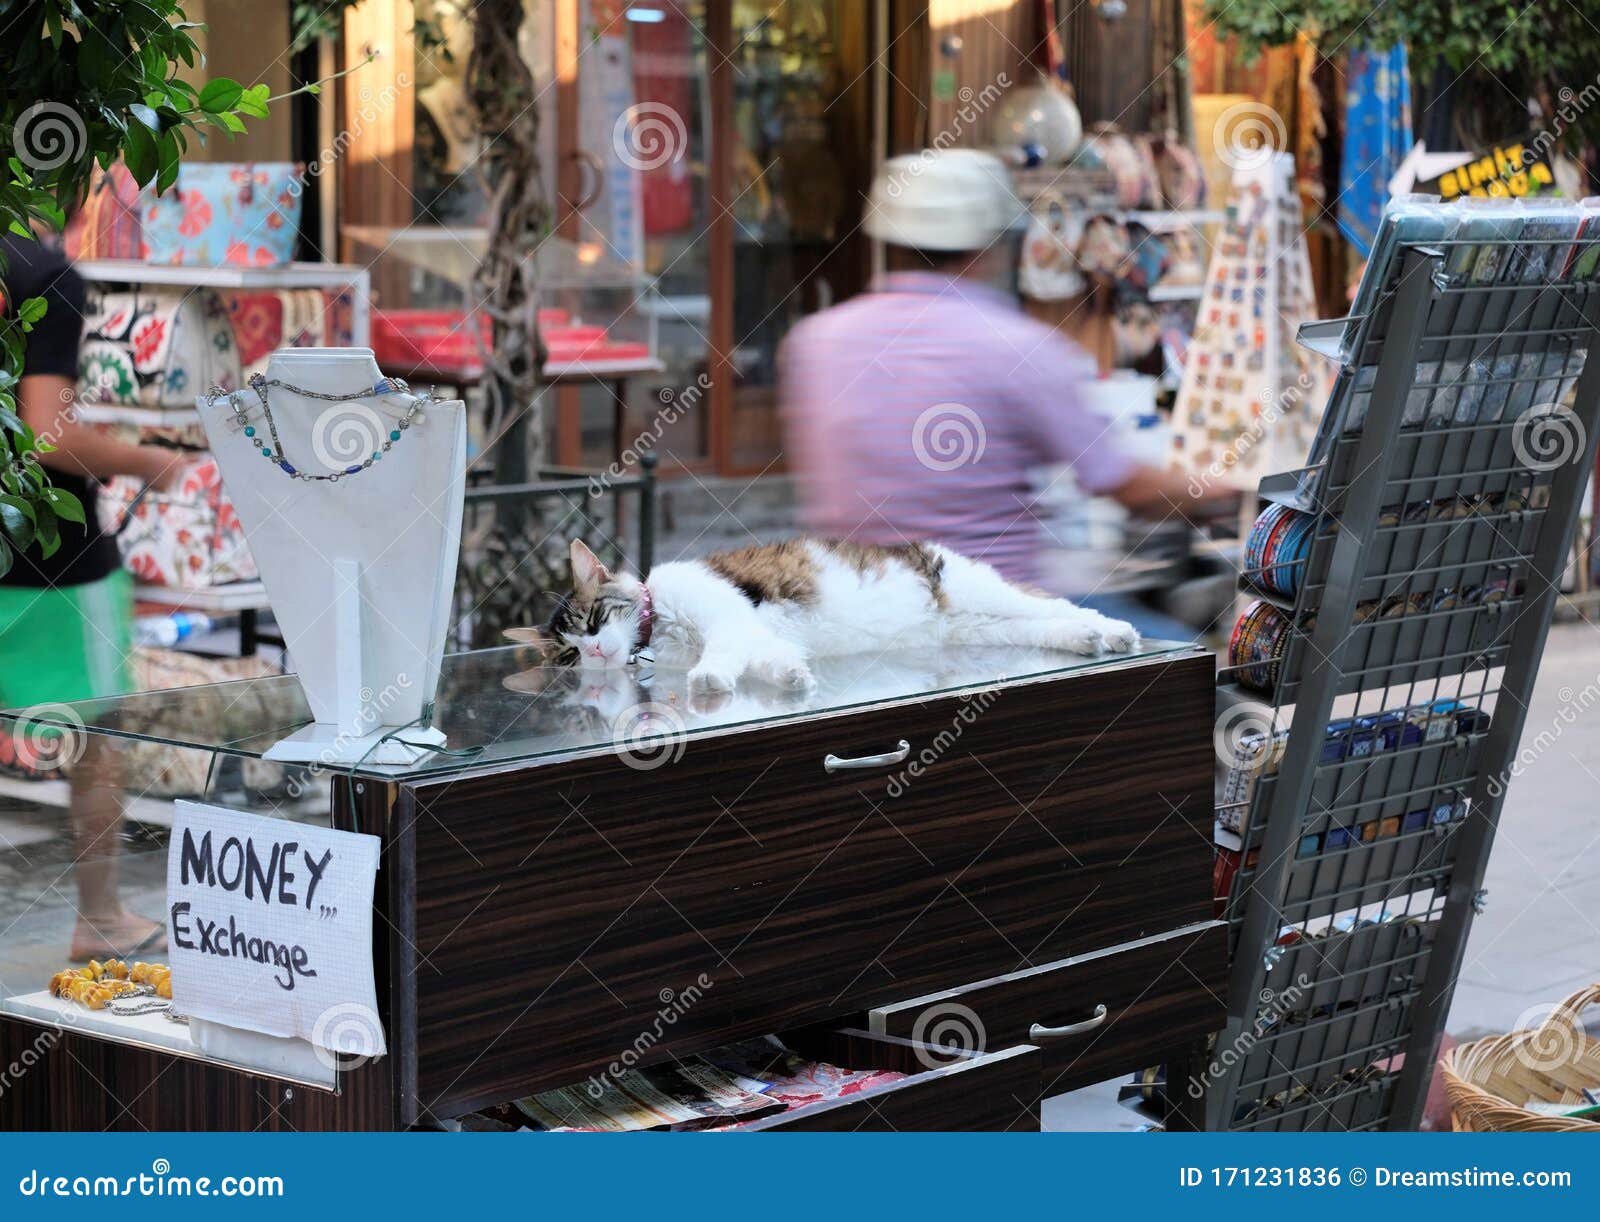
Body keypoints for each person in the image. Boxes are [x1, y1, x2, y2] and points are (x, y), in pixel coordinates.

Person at [779, 149, 1233, 631]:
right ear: (990, 250)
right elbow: (1125, 486)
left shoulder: (814, 344)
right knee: (1177, 652)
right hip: (994, 630)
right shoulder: (1019, 350)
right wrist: (1230, 491)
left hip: (854, 622)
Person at [0, 233, 180, 959]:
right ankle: (101, 919)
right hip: (51, 559)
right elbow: (47, 433)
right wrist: (147, 459)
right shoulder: (42, 271)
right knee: (96, 742)